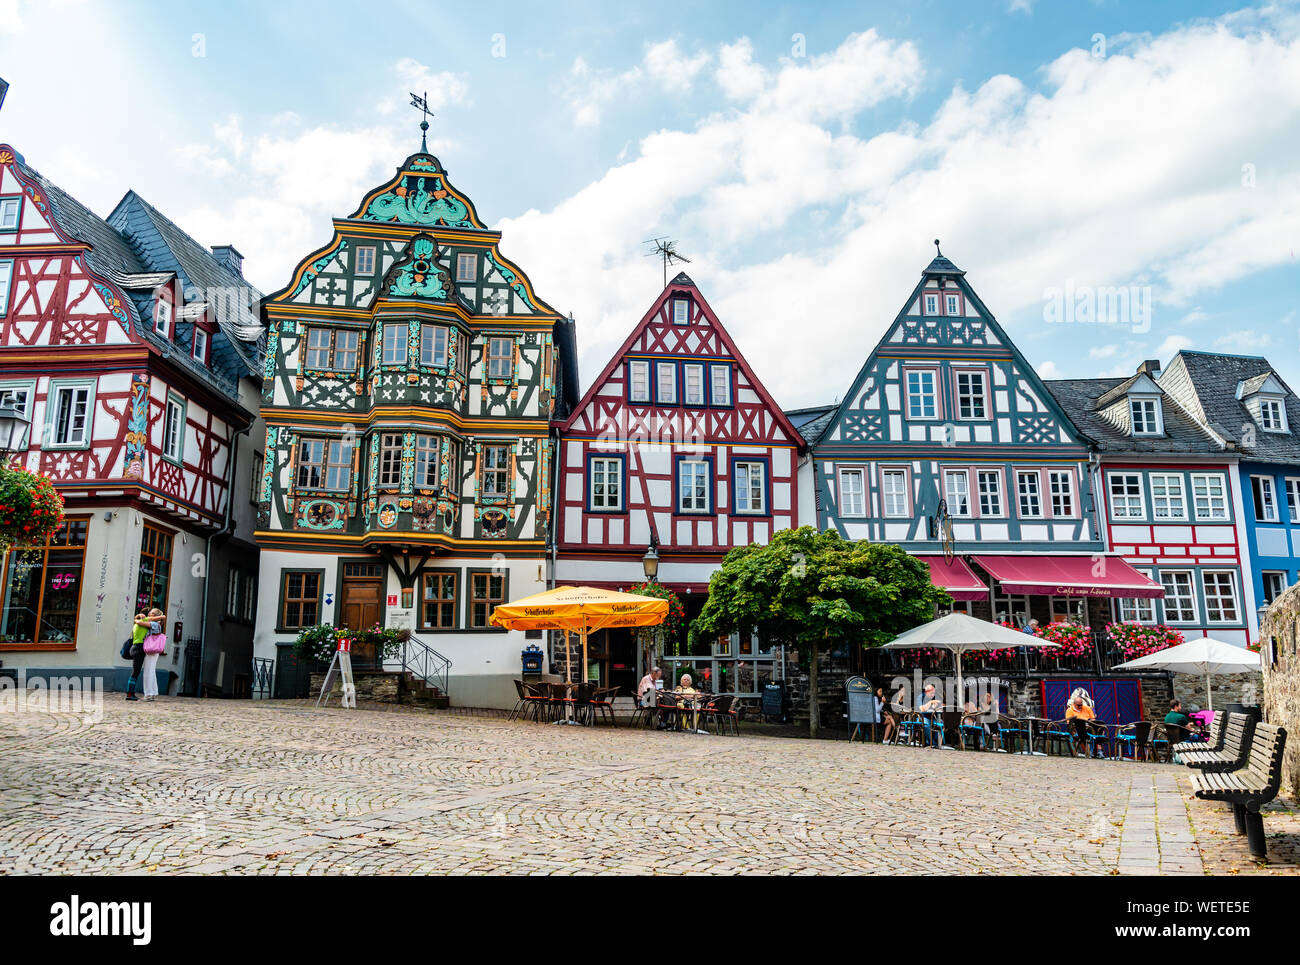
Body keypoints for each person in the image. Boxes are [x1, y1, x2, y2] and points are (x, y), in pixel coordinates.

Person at [140, 607, 167, 701]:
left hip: (150, 650)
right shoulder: (158, 624)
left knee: (148, 672)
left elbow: (140, 622)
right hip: (155, 651)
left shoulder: (154, 624)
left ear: (154, 615)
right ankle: (154, 692)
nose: (149, 614)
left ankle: (148, 694)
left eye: (150, 613)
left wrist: (137, 619)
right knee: (152, 671)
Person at [125, 612, 149, 702]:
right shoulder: (142, 623)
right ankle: (130, 693)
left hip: (134, 648)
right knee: (135, 672)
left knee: (135, 672)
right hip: (138, 649)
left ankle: (131, 693)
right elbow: (153, 620)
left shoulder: (136, 625)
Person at [916, 683, 942, 747]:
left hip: (933, 717)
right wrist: (930, 702)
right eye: (931, 693)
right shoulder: (920, 697)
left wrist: (937, 706)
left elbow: (940, 707)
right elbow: (922, 709)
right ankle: (932, 743)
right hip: (922, 717)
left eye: (934, 693)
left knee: (941, 724)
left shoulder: (935, 697)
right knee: (926, 725)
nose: (933, 695)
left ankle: (939, 743)